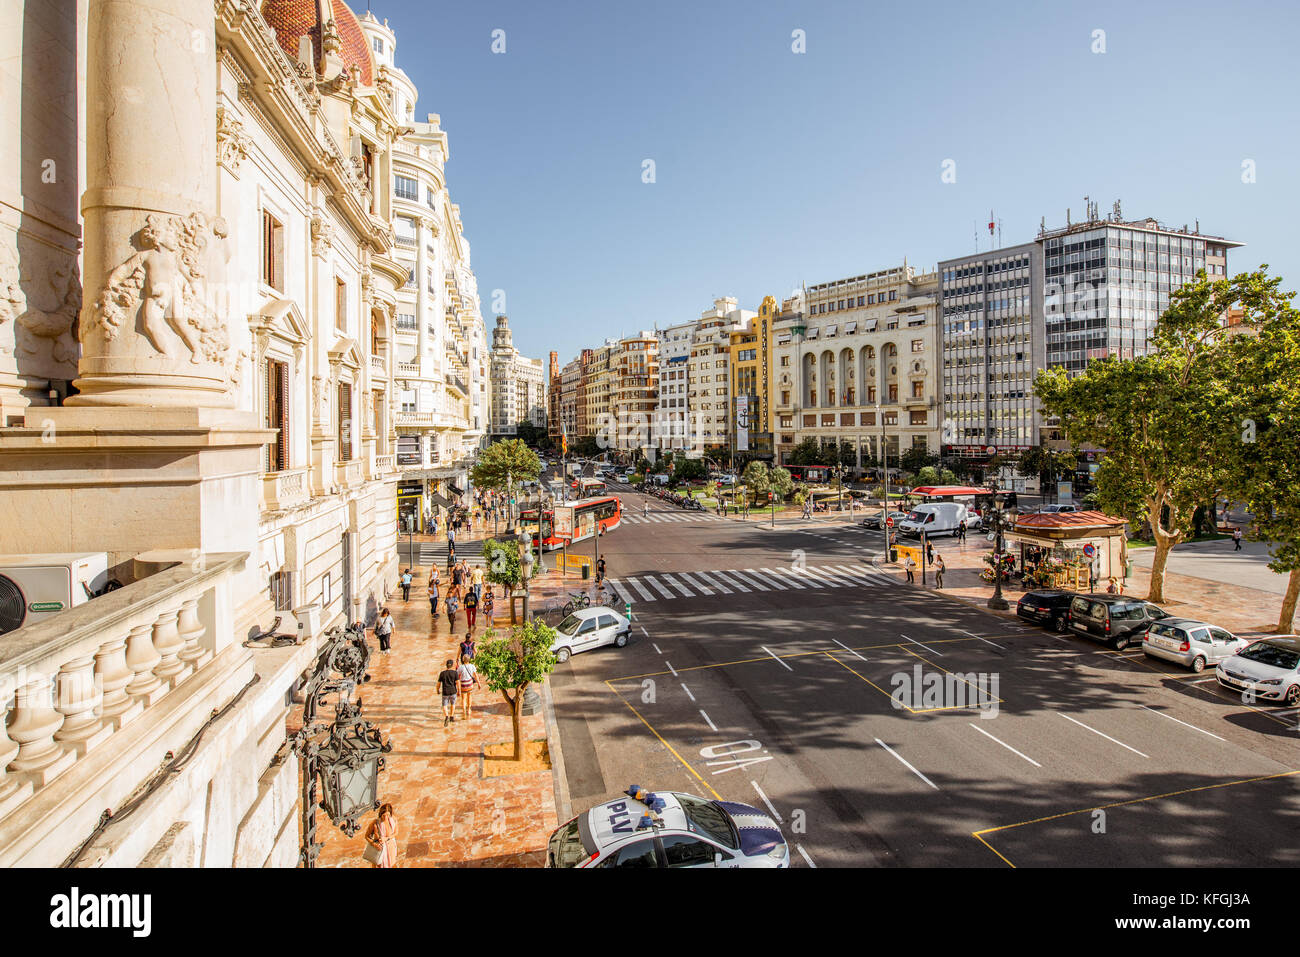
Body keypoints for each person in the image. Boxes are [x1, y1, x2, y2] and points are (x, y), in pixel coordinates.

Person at [437, 658, 460, 726]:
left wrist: (437, 690)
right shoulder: (455, 673)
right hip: (453, 691)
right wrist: (459, 691)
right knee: (453, 704)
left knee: (445, 705)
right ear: (452, 665)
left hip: (445, 691)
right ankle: (451, 716)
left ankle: (446, 716)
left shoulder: (442, 673)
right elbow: (458, 683)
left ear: (446, 665)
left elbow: (438, 684)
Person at [457, 653, 480, 719]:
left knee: (463, 698)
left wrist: (457, 686)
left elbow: (457, 676)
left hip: (463, 684)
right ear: (469, 660)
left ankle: (464, 711)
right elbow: (475, 675)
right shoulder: (472, 666)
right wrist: (478, 683)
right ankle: (469, 709)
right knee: (469, 696)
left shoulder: (460, 667)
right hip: (470, 684)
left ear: (463, 660)